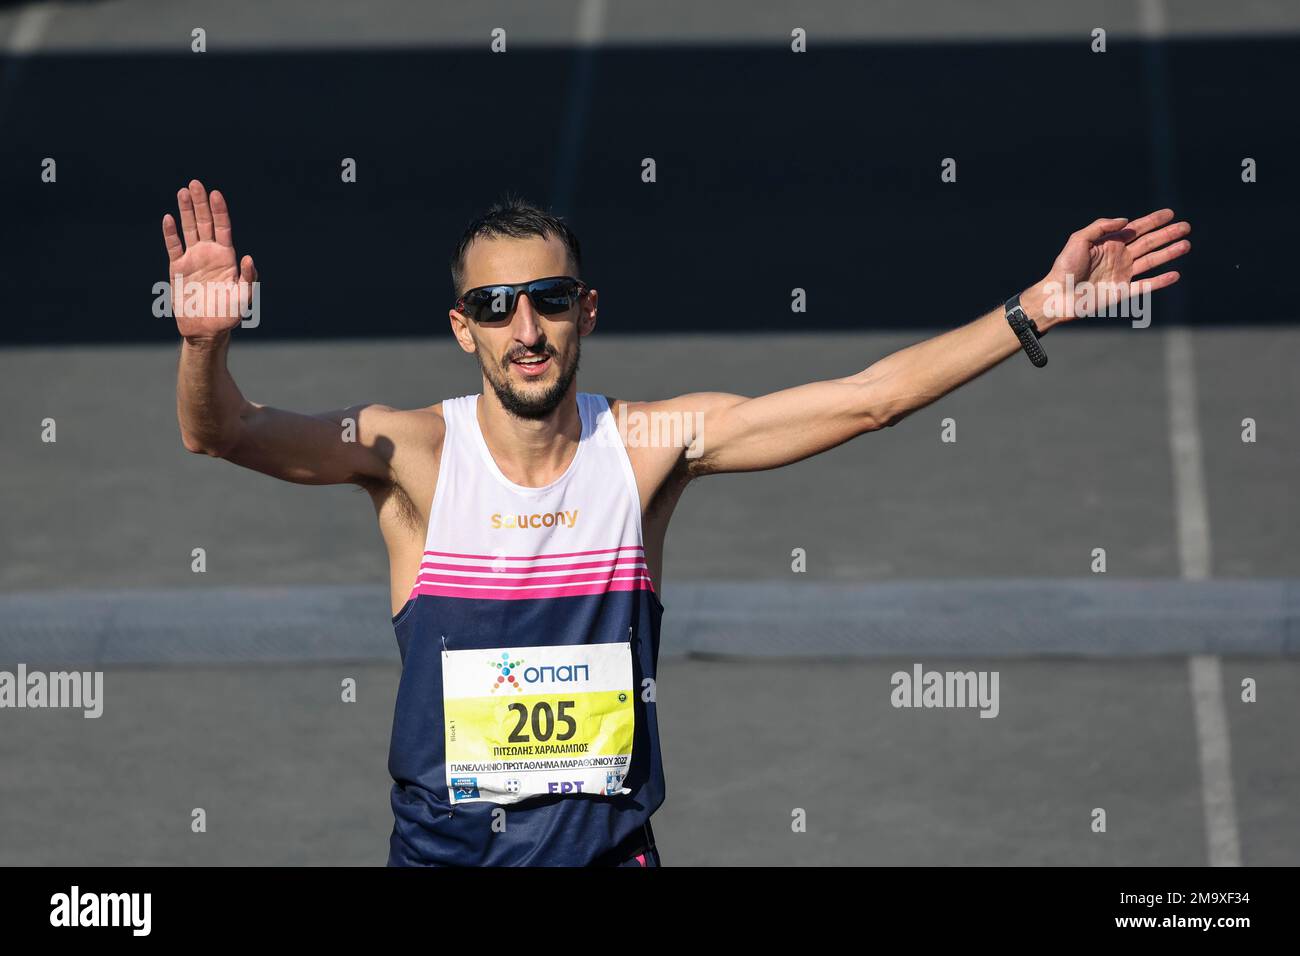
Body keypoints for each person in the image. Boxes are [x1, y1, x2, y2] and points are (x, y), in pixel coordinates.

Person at [162, 179, 1191, 865]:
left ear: (588, 311)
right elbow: (227, 432)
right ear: (462, 328)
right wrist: (204, 347)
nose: (527, 328)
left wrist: (1035, 308)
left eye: (551, 298)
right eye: (497, 305)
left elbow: (867, 395)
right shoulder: (409, 453)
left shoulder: (649, 445)